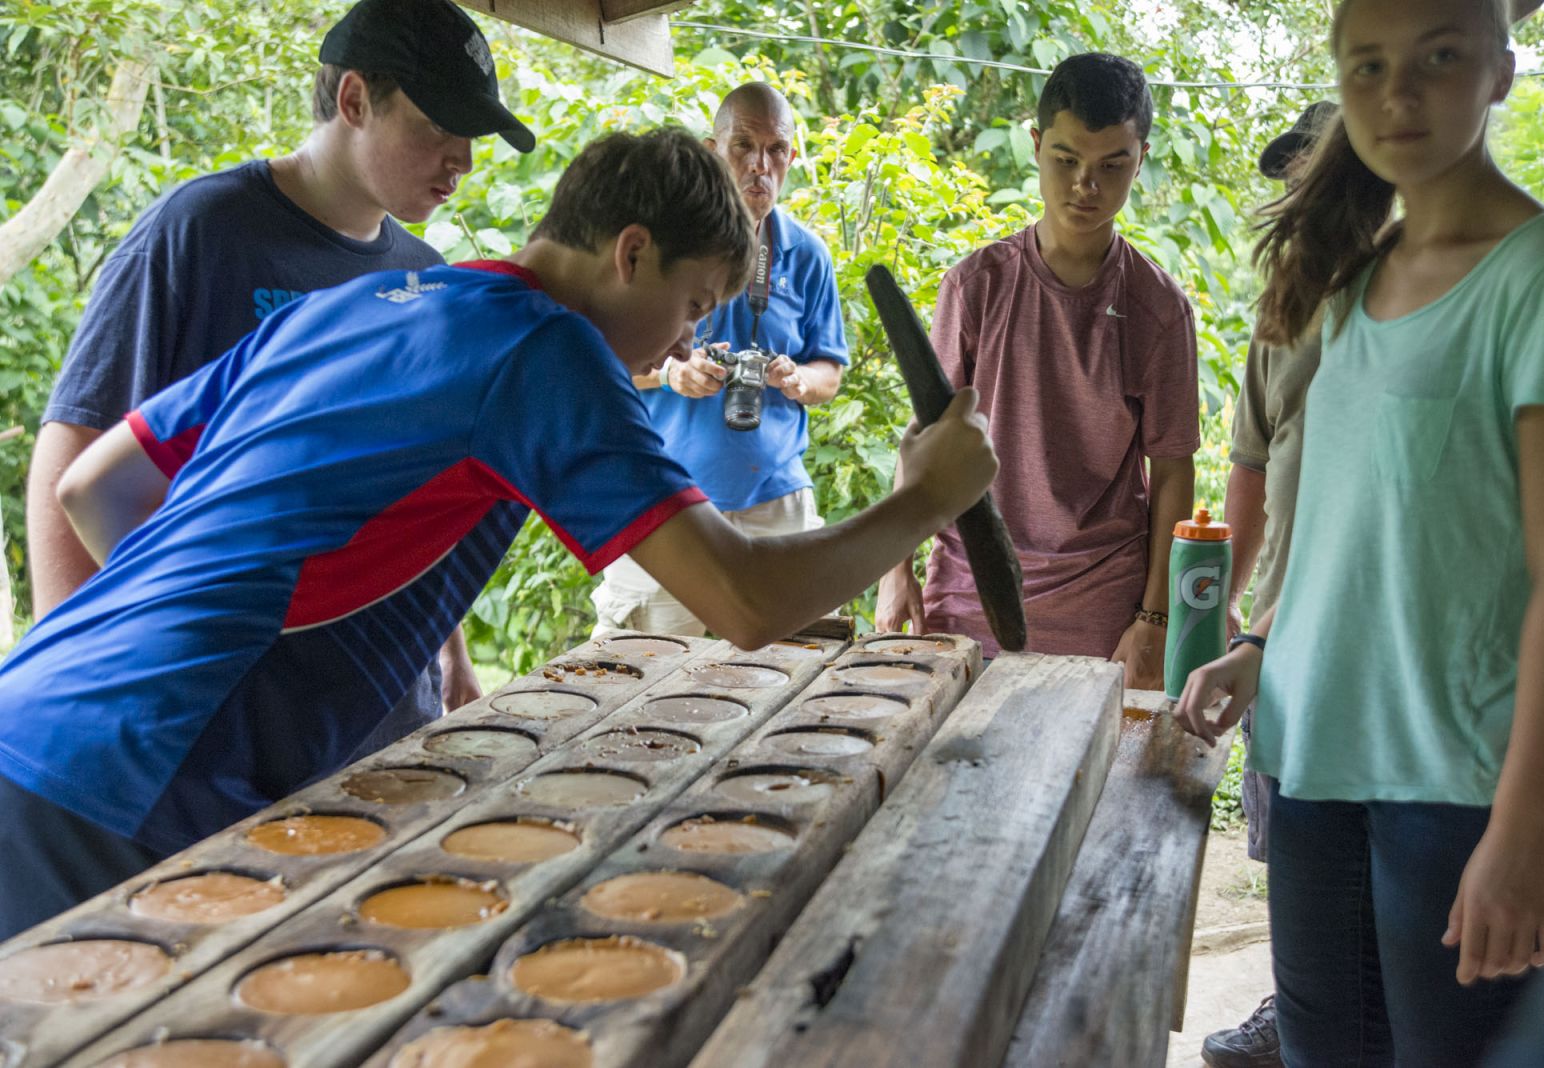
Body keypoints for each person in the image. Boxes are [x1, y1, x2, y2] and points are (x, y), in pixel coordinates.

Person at [0, 127, 997, 938]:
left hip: (41, 711)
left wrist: (192, 619)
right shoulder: (546, 346)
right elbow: (745, 601)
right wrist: (923, 500)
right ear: (631, 252)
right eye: (691, 306)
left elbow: (99, 487)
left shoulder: (368, 298)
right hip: (133, 776)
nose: (685, 341)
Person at [1176, 0, 1544, 1062]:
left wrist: (1527, 829)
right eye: (1367, 65)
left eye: (1438, 57)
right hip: (1318, 756)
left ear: (1500, 71)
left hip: (1464, 784)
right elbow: (1342, 526)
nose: (1398, 93)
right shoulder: (1354, 281)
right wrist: (1260, 644)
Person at [22, 0, 530, 742]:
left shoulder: (424, 275)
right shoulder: (201, 231)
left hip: (381, 706)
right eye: (440, 127)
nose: (464, 159)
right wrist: (74, 693)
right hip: (222, 716)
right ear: (354, 100)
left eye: (473, 136)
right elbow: (73, 451)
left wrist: (450, 652)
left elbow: (414, 489)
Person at [876, 53, 1199, 686]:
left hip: (1102, 613)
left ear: (1141, 159)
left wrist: (1154, 619)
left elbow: (1172, 473)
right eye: (1066, 159)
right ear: (1035, 145)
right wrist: (895, 570)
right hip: (968, 599)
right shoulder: (976, 286)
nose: (1086, 184)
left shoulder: (1159, 310)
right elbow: (926, 439)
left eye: (1112, 165)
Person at [590, 82, 847, 638]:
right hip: (664, 497)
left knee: (798, 669)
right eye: (743, 146)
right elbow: (599, 359)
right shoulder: (659, 244)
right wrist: (671, 374)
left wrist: (796, 379)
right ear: (712, 151)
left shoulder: (806, 254)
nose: (760, 165)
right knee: (640, 670)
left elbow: (830, 370)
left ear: (792, 158)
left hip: (775, 498)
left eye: (776, 150)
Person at [1202, 100, 1335, 1068]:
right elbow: (1247, 470)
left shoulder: (1428, 299)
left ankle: (1326, 1013)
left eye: (1319, 177)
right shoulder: (1284, 313)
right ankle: (1297, 1006)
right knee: (1285, 839)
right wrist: (1228, 617)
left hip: (1362, 631)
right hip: (1276, 629)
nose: (1303, 197)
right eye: (1294, 181)